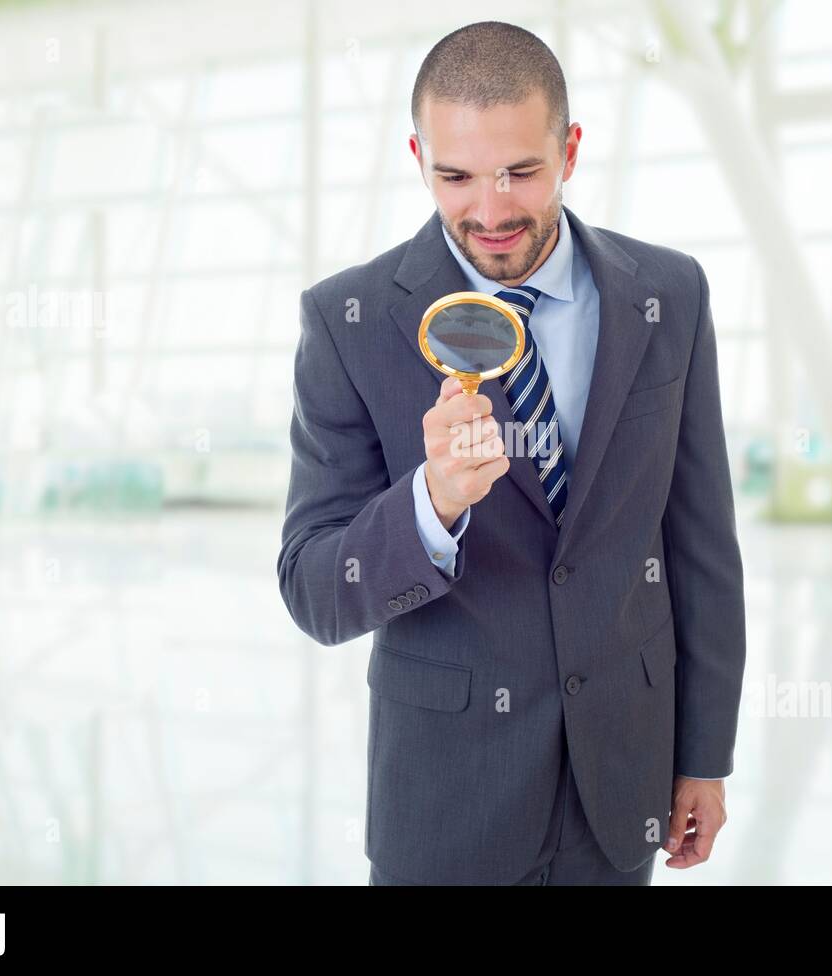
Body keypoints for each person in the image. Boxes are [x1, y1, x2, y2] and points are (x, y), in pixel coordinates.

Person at [277, 20, 745, 885]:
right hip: (449, 801)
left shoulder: (667, 295)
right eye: (453, 177)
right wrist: (431, 505)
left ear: (569, 149)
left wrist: (703, 755)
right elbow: (314, 589)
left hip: (621, 786)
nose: (489, 212)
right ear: (417, 155)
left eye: (520, 173)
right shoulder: (350, 322)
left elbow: (701, 544)